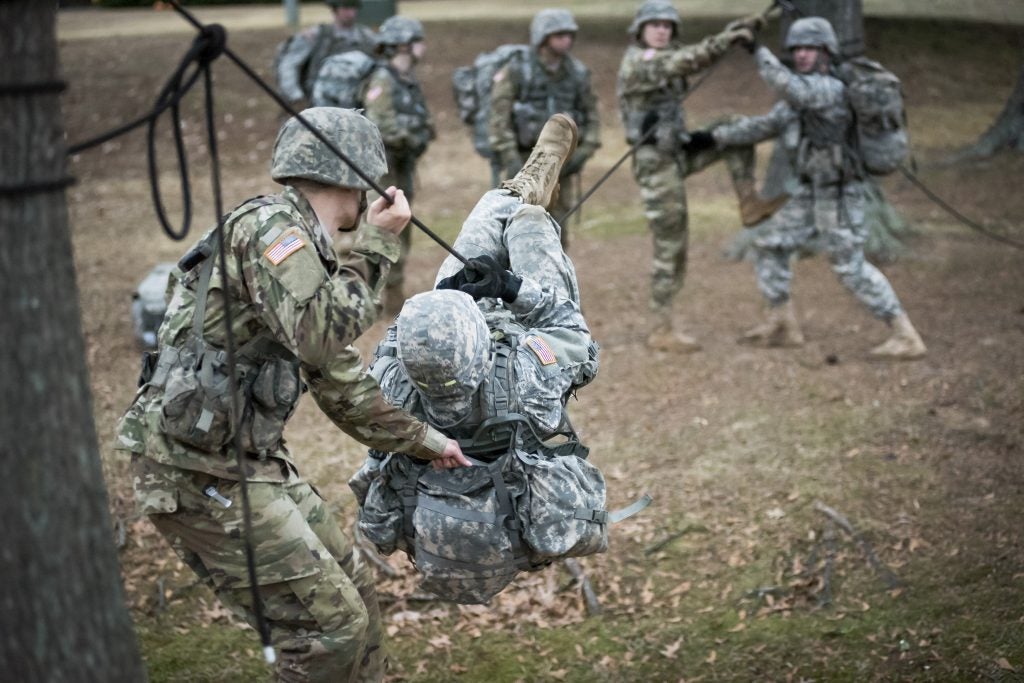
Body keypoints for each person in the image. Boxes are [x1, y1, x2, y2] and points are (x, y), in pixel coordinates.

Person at [114, 107, 468, 683]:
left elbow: (338, 379)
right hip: (192, 470)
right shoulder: (272, 232)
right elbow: (319, 333)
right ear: (351, 176)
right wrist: (378, 243)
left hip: (244, 462)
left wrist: (428, 442)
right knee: (328, 628)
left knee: (354, 586)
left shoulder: (299, 245)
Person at [349, 114, 602, 604]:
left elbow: (398, 338)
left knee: (494, 210)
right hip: (518, 321)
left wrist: (448, 296)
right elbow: (575, 339)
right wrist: (510, 287)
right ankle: (527, 193)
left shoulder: (392, 388)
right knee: (528, 222)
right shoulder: (525, 374)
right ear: (481, 347)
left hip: (457, 325)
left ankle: (524, 184)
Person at [701, 17, 927, 358]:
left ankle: (905, 334)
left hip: (840, 194)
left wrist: (756, 49)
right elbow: (763, 126)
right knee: (770, 244)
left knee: (850, 266)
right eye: (797, 49)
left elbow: (788, 87)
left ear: (826, 52)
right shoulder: (802, 96)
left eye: (810, 48)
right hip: (811, 192)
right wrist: (709, 138)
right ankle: (782, 323)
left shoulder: (828, 90)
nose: (802, 54)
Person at [616, 1, 784, 353]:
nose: (661, 30)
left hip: (679, 149)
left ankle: (749, 201)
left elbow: (691, 54)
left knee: (733, 128)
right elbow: (689, 60)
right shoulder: (639, 61)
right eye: (654, 24)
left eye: (667, 25)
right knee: (671, 243)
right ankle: (661, 327)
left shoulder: (669, 54)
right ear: (640, 30)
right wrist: (726, 39)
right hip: (655, 163)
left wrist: (740, 28)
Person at [487, 8, 600, 247]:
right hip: (522, 160)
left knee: (557, 230)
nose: (566, 40)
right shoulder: (517, 70)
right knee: (516, 226)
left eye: (569, 35)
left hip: (561, 164)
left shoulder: (577, 73)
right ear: (543, 37)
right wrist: (511, 159)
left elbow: (592, 117)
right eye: (559, 35)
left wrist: (582, 153)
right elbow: (499, 118)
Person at [361, 16, 436, 315]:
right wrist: (408, 137)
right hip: (383, 170)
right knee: (380, 229)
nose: (423, 46)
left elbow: (423, 118)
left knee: (402, 226)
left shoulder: (408, 80)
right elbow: (378, 122)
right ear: (404, 45)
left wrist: (421, 135)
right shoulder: (383, 79)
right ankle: (371, 296)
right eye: (418, 41)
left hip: (403, 165)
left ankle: (394, 293)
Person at [277, 0, 377, 107]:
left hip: (358, 101)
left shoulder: (366, 36)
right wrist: (296, 96)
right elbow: (289, 65)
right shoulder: (317, 35)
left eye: (353, 8)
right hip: (319, 101)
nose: (350, 13)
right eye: (345, 8)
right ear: (334, 10)